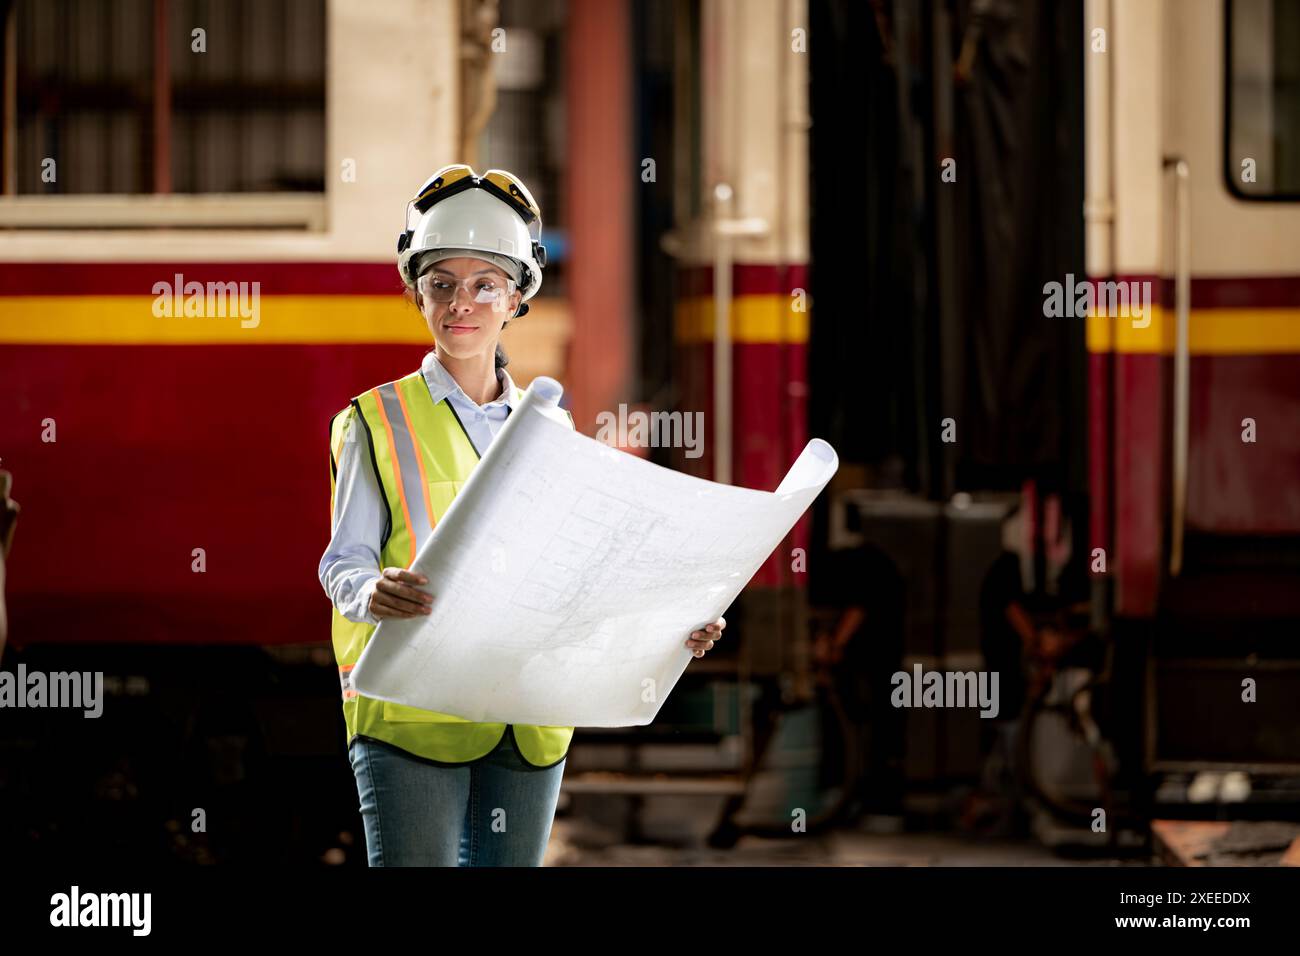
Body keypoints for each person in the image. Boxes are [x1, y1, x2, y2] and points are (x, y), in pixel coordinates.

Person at [318, 165, 725, 866]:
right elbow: (342, 562)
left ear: (516, 299)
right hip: (415, 716)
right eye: (441, 282)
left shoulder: (552, 433)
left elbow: (582, 577)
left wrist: (672, 624)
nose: (460, 303)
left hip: (527, 717)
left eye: (485, 284)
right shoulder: (373, 421)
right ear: (417, 290)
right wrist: (371, 590)